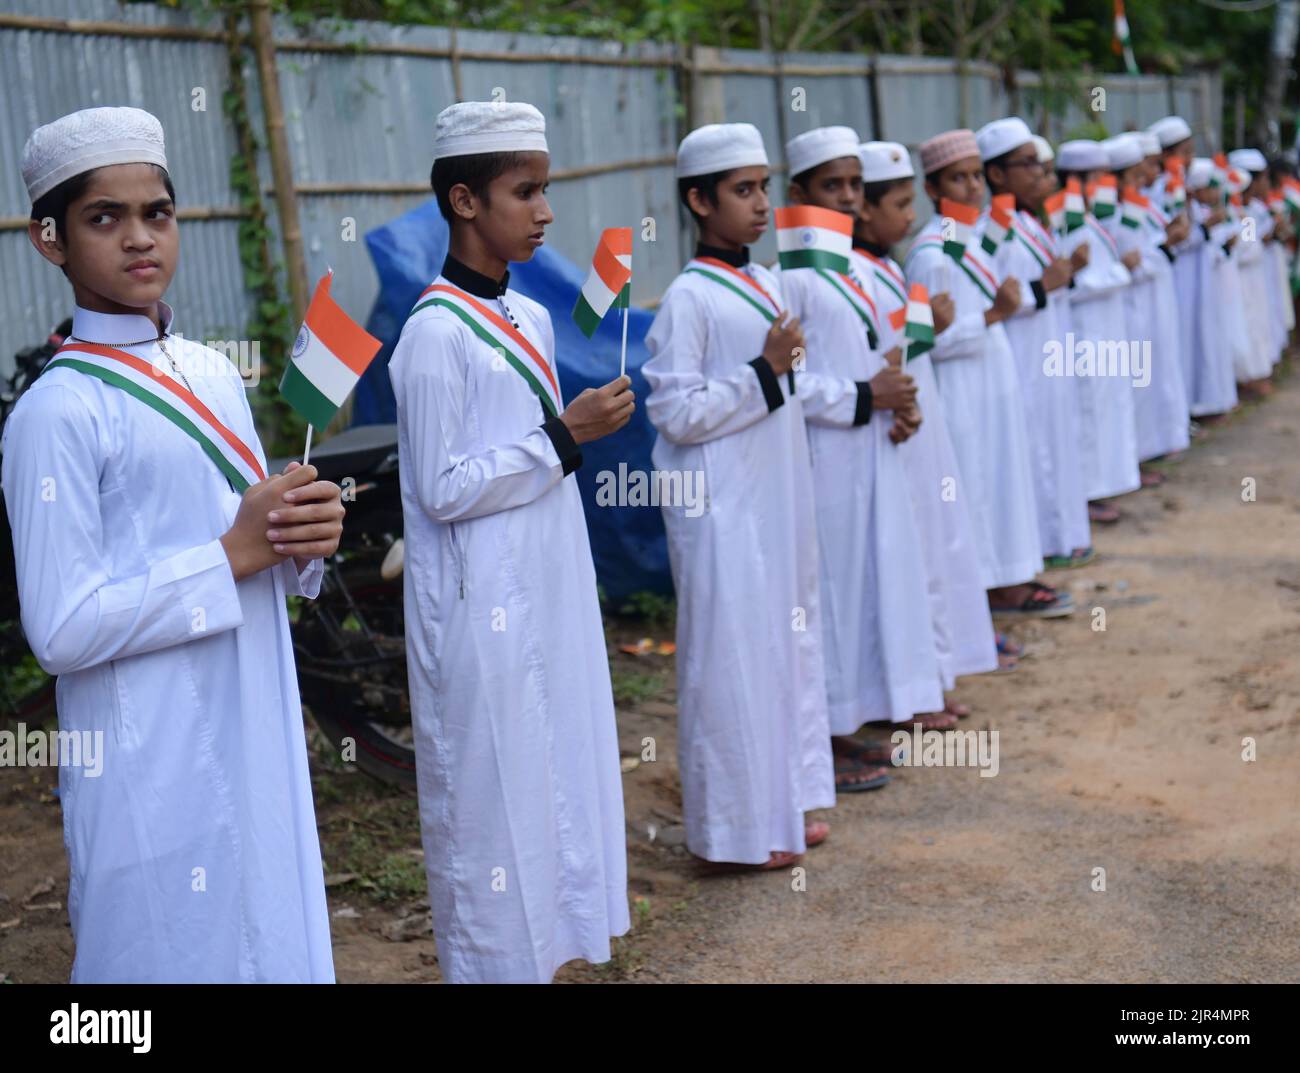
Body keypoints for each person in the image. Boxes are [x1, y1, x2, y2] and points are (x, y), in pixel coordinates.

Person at [2, 106, 343, 982]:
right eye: (103, 218)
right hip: (147, 751)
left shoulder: (213, 371)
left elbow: (255, 542)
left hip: (255, 719)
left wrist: (304, 542)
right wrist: (232, 553)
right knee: (166, 949)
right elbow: (62, 627)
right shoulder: (56, 411)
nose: (140, 238)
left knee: (266, 922)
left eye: (157, 212)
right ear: (50, 240)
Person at [388, 101, 633, 982]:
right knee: (491, 799)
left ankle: (552, 950)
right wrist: (565, 437)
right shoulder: (432, 335)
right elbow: (441, 488)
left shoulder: (527, 318)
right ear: (463, 200)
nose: (545, 211)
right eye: (524, 192)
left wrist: (562, 440)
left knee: (553, 767)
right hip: (476, 603)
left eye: (546, 190)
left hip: (548, 584)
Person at [643, 122, 835, 869]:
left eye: (763, 186)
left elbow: (795, 384)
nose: (761, 205)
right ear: (699, 200)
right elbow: (674, 411)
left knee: (783, 647)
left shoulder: (767, 281)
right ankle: (727, 833)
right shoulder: (689, 298)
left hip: (777, 498)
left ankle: (778, 808)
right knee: (727, 662)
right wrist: (761, 371)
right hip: (720, 511)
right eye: (742, 190)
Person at [778, 126, 940, 784]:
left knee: (873, 577)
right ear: (799, 194)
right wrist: (862, 395)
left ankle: (861, 716)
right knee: (832, 595)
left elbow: (882, 358)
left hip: (869, 445)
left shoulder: (848, 271)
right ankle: (829, 735)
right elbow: (784, 383)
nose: (847, 198)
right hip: (822, 455)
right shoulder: (792, 280)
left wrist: (896, 400)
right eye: (832, 186)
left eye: (853, 185)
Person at [854, 139, 1002, 699]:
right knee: (908, 552)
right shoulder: (913, 259)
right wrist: (936, 329)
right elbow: (880, 354)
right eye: (899, 204)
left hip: (922, 414)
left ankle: (945, 662)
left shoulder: (888, 268)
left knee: (939, 541)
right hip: (892, 422)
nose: (911, 216)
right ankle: (913, 685)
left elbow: (902, 343)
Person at [905, 129, 1071, 620]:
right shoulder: (931, 254)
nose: (973, 187)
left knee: (1001, 480)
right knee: (973, 486)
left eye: (976, 176)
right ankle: (983, 591)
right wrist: (994, 316)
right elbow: (928, 340)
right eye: (959, 179)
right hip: (960, 391)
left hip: (992, 380)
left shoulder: (971, 241)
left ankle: (1009, 576)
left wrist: (994, 316)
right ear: (933, 189)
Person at [976, 118, 1092, 570]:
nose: (1042, 176)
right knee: (1033, 449)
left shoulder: (1030, 222)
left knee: (1054, 441)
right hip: (1021, 355)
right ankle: (1038, 547)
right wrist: (1043, 287)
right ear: (998, 175)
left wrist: (1063, 276)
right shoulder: (995, 228)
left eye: (1043, 167)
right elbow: (993, 296)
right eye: (1029, 166)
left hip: (1047, 349)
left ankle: (1060, 534)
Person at [1054, 140, 1141, 520]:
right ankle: (1088, 494)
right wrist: (1122, 272)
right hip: (1084, 333)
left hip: (1106, 329)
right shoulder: (1066, 222)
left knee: (1107, 408)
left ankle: (1104, 487)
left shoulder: (1088, 219)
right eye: (1096, 178)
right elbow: (1076, 282)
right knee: (1089, 412)